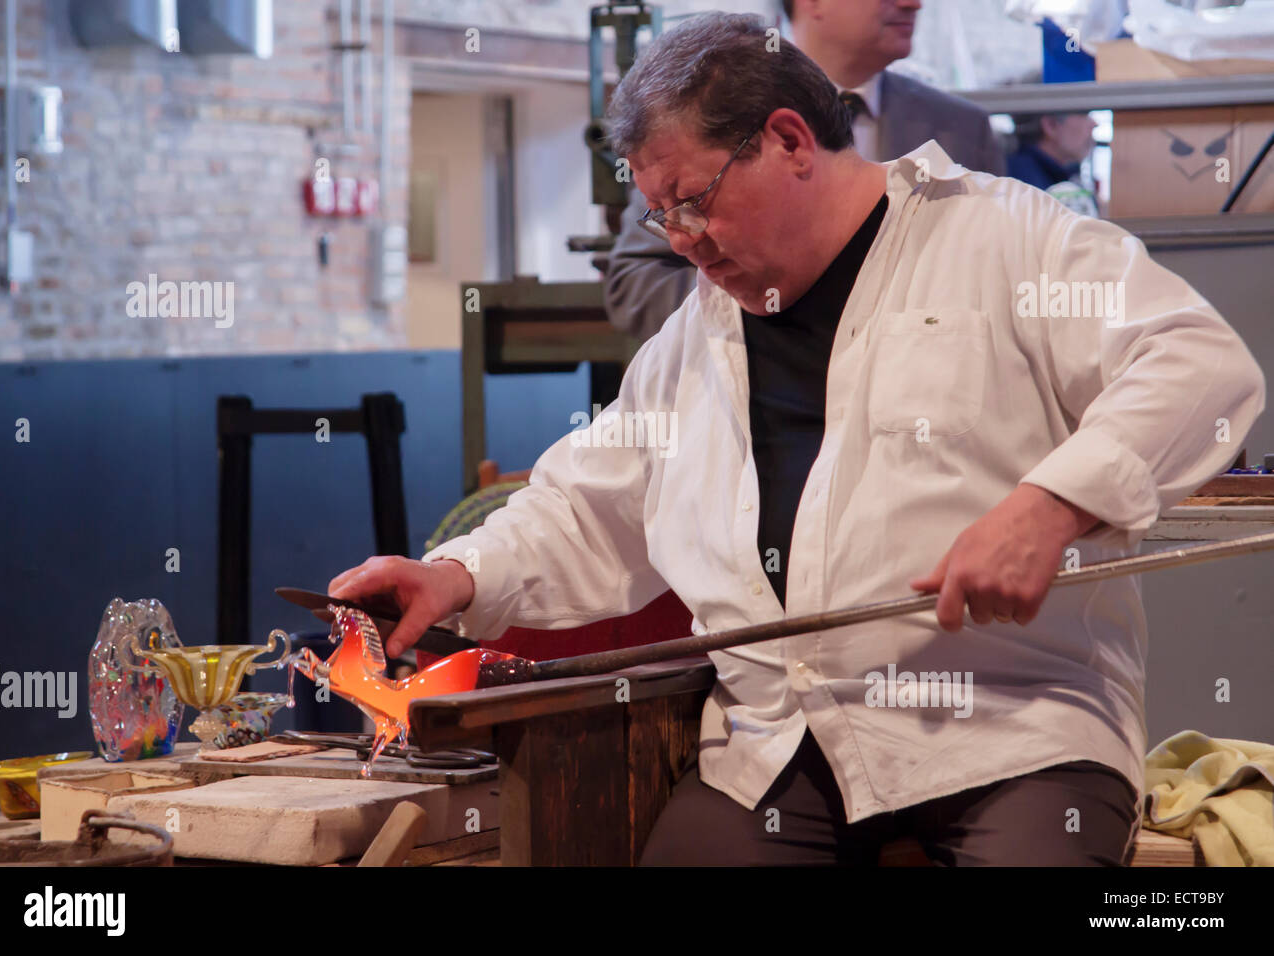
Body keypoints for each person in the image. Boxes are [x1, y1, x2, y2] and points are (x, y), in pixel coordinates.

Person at [328, 14, 1264, 865]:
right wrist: (457, 576)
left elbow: (1199, 366)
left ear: (786, 141)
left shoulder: (1009, 241)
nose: (683, 241)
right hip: (779, 745)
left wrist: (1049, 508)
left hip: (1013, 733)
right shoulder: (698, 335)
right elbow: (588, 504)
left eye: (692, 201)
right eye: (662, 216)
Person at [605, 0, 1005, 342]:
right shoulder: (700, 113)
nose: (912, 3)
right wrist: (759, 295)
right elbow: (635, 281)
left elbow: (992, 270)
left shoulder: (962, 127)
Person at [1009, 111, 1100, 215]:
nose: (1094, 124)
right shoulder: (1024, 184)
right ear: (1051, 125)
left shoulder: (1056, 174)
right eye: (1083, 114)